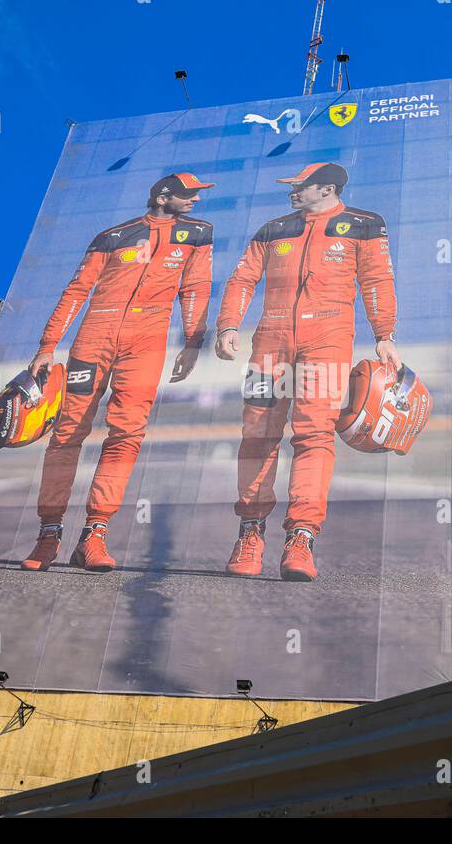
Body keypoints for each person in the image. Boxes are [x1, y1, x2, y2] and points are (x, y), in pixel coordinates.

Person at [214, 162, 400, 582]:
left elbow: (377, 280)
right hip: (270, 342)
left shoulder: (364, 225)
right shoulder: (273, 228)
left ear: (327, 188)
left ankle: (301, 536)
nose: (293, 191)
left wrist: (384, 334)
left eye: (300, 186)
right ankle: (250, 533)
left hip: (328, 339)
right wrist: (228, 325)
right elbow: (242, 278)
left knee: (314, 434)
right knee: (258, 434)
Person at [20, 173, 214, 572]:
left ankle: (95, 533)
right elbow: (76, 291)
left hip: (147, 343)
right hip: (95, 337)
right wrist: (46, 346)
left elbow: (195, 287)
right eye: (187, 194)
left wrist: (193, 343)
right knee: (68, 433)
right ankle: (49, 533)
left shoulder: (198, 234)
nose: (194, 199)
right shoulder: (113, 236)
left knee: (127, 432)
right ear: (163, 197)